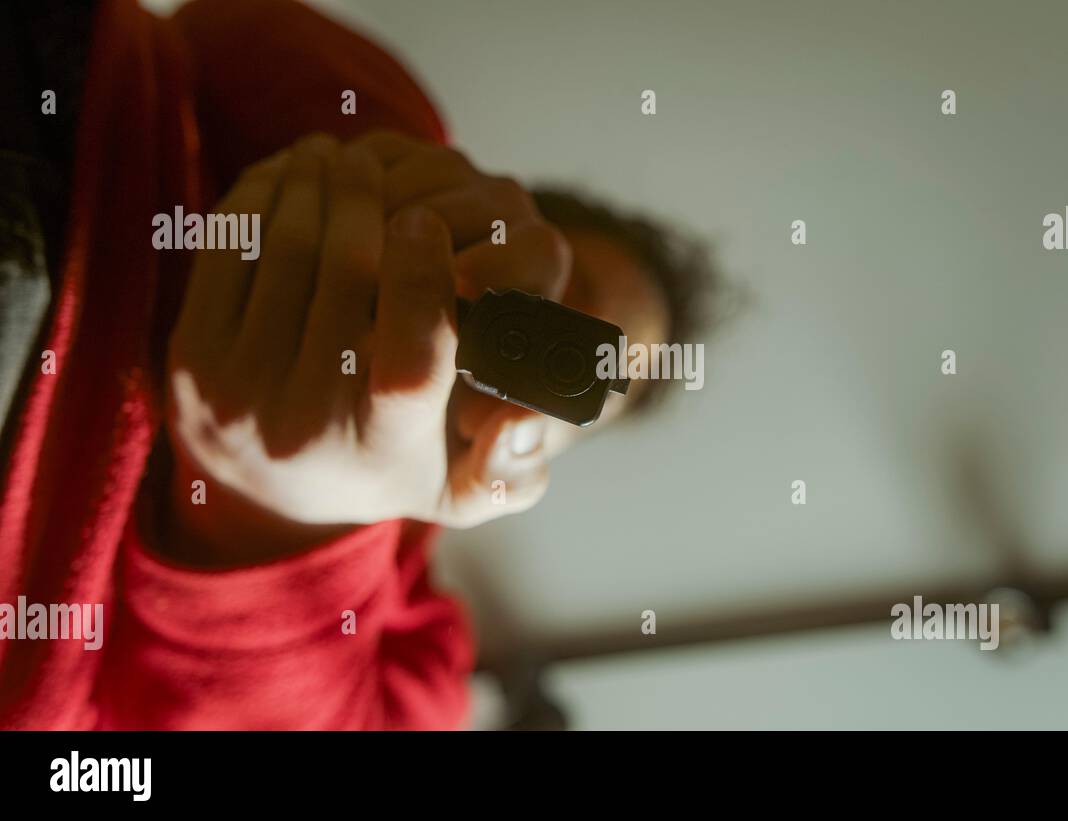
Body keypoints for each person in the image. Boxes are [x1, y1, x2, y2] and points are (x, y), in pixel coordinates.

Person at [0, 0, 718, 729]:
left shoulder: (419, 667)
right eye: (562, 301)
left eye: (575, 391)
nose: (533, 363)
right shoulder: (394, 133)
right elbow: (218, 28)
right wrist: (391, 164)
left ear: (538, 453)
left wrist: (272, 526)